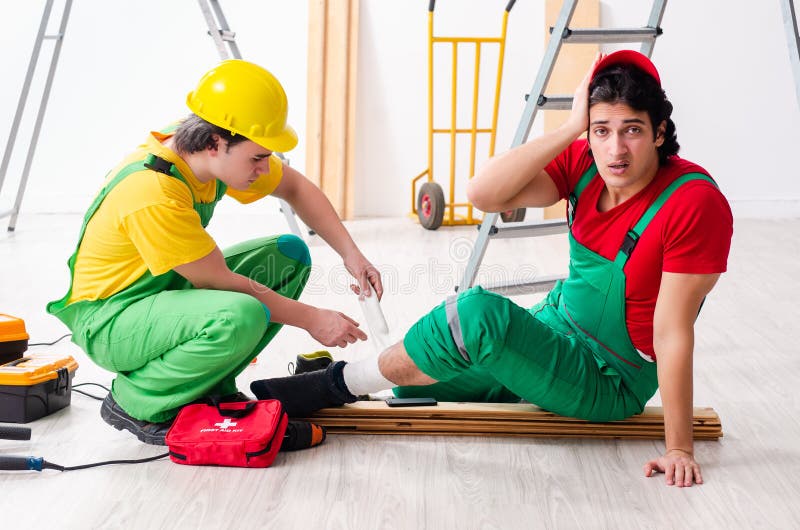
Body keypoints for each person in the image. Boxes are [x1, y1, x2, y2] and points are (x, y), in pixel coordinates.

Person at [249, 50, 733, 486]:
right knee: (411, 381)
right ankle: (345, 378)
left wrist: (678, 448)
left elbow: (671, 332)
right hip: (556, 327)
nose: (615, 150)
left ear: (660, 131)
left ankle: (333, 383)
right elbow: (484, 193)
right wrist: (569, 129)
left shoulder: (693, 203)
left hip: (608, 376)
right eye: (601, 130)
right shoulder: (586, 160)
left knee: (475, 314)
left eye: (632, 130)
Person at [47, 60, 383, 449]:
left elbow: (296, 188)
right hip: (111, 319)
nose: (264, 168)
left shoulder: (203, 152)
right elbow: (217, 281)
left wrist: (351, 255)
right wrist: (313, 319)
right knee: (242, 312)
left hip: (160, 289)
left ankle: (211, 387)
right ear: (213, 143)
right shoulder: (152, 191)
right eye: (257, 158)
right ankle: (138, 401)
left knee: (287, 255)